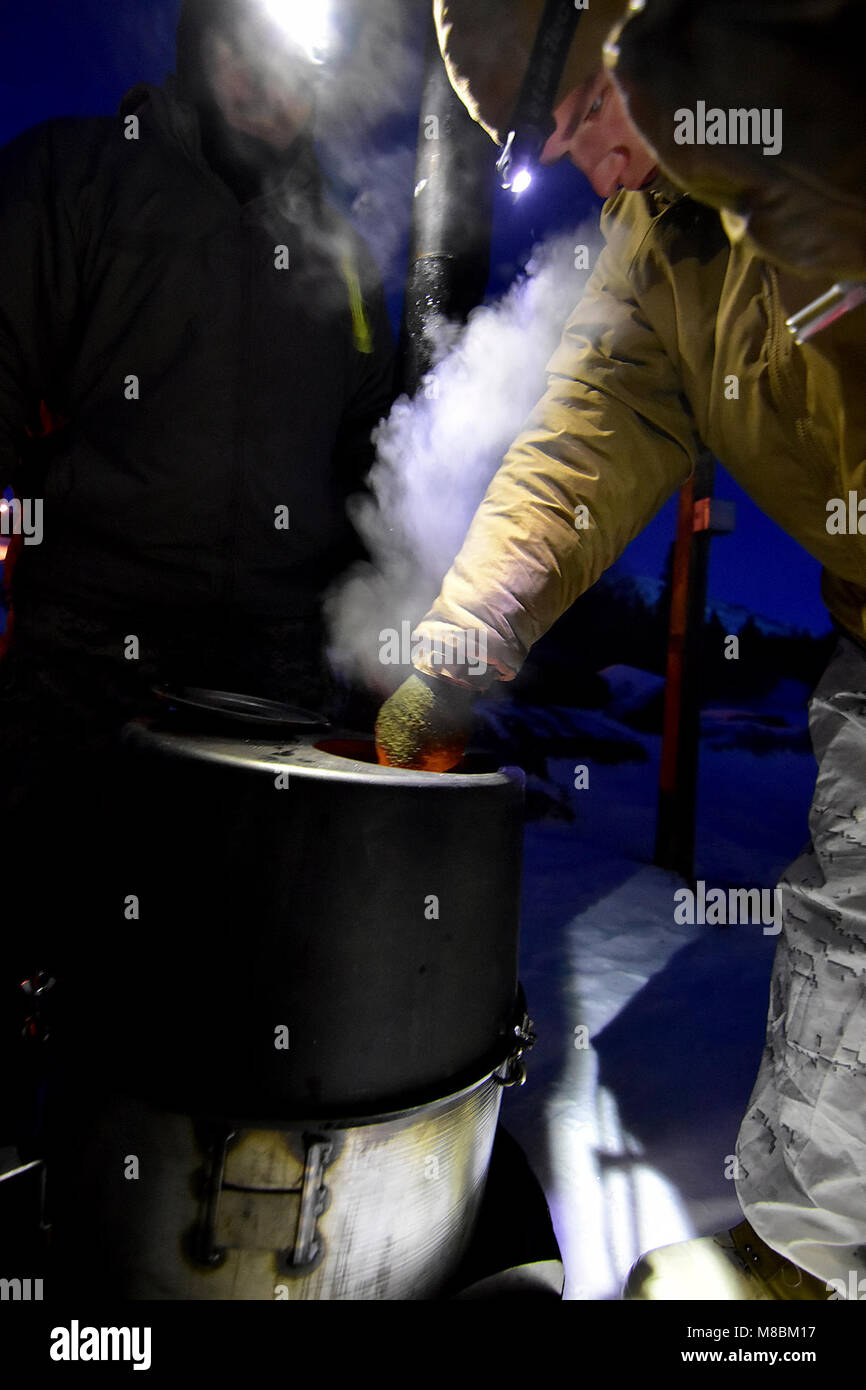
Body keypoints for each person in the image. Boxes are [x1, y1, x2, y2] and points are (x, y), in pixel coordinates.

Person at [376, 0, 866, 1300]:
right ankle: (817, 1262)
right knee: (851, 929)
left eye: (584, 115)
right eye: (551, 149)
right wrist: (455, 653)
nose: (593, 169)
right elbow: (578, 447)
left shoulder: (809, 71)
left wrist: (812, 173)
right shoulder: (656, 245)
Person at [0, 0, 393, 1148]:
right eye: (248, 61)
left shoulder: (341, 250)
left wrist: (391, 615)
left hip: (268, 660)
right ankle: (33, 1170)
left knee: (240, 948)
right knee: (45, 916)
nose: (274, 96)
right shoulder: (79, 177)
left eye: (300, 73)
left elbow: (372, 445)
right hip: (89, 630)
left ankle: (208, 1194)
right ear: (201, 47)